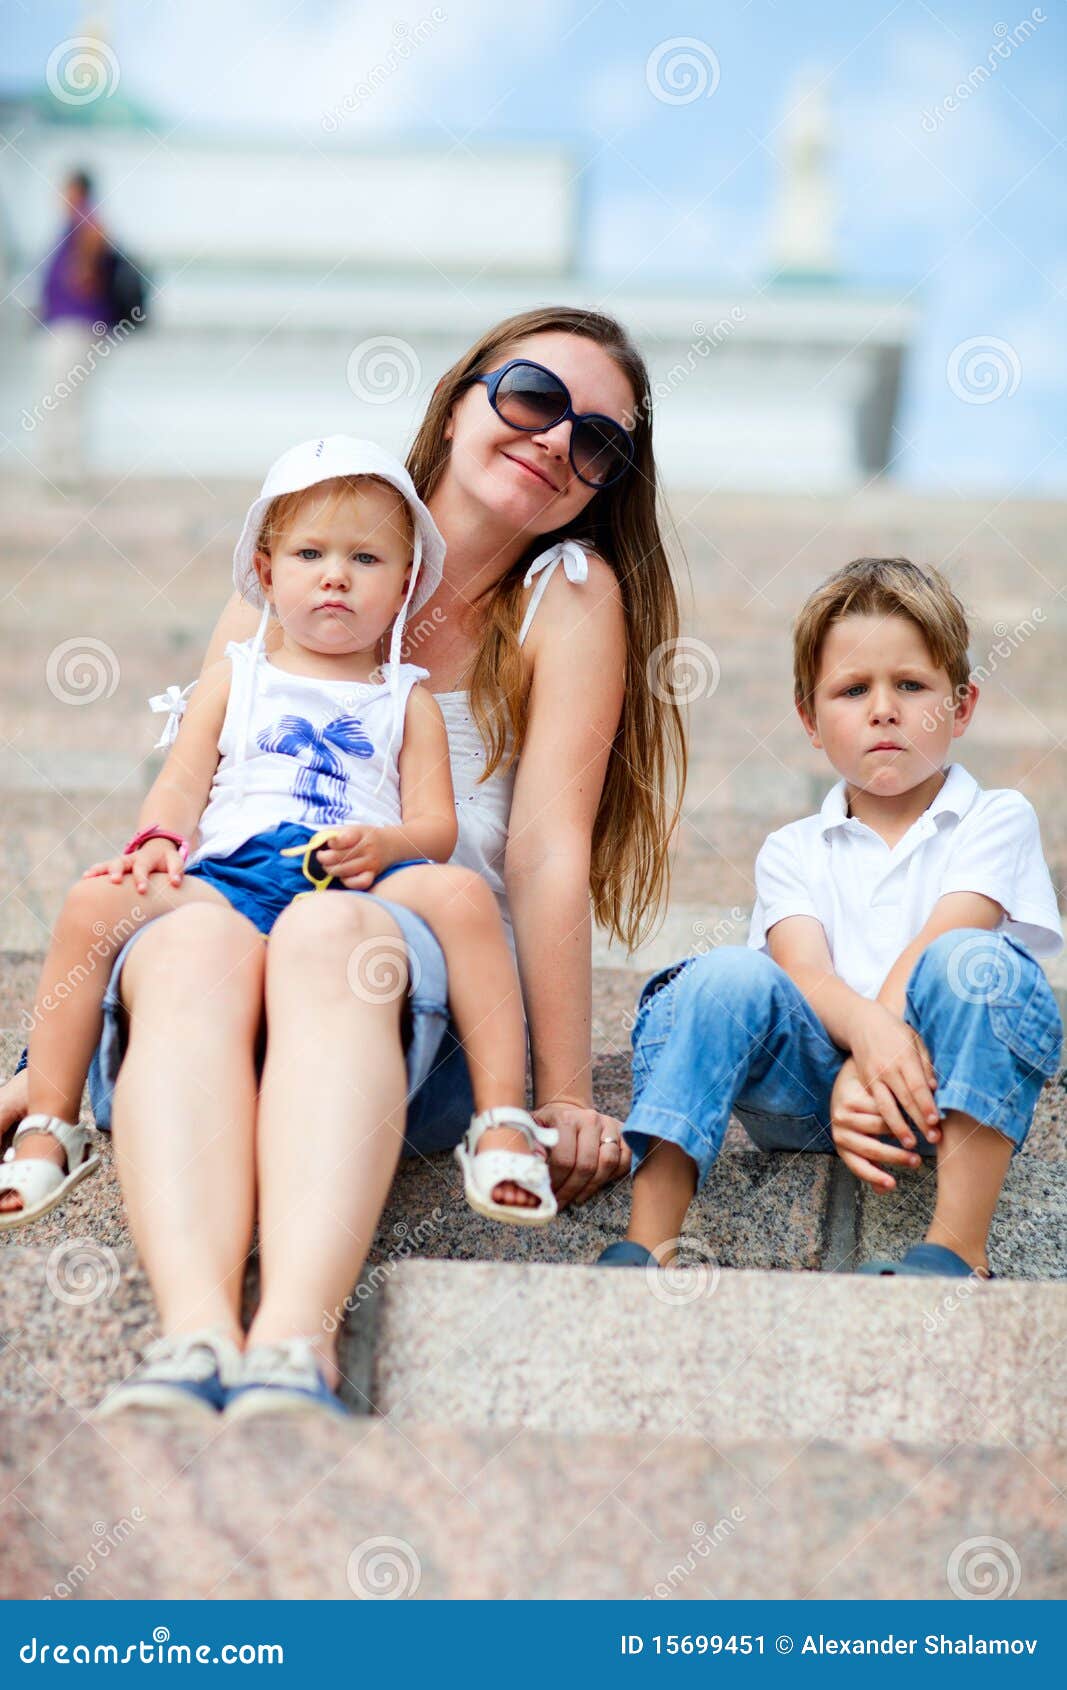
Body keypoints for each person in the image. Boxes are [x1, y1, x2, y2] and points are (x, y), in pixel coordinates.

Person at [0, 307, 687, 1416]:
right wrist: (51, 1065)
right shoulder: (298, 548)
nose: (558, 440)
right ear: (459, 402)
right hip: (228, 959)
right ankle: (190, 1338)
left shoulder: (564, 594)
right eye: (533, 397)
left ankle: (293, 1344)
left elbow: (548, 850)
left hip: (404, 987)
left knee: (330, 927)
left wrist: (560, 1096)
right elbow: (199, 797)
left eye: (599, 440)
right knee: (189, 945)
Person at [1, 435, 555, 1245]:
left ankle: (502, 1120)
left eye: (365, 558)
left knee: (462, 893)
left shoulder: (406, 700)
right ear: (266, 573)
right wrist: (158, 838)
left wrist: (389, 846)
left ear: (405, 584)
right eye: (309, 553)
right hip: (231, 877)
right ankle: (50, 1124)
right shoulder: (237, 677)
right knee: (92, 901)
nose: (335, 575)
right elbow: (183, 781)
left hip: (355, 883)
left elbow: (438, 827)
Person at [599, 557, 1062, 1278]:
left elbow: (944, 936)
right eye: (853, 690)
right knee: (725, 974)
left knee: (973, 964)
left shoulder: (995, 817)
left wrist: (870, 1063)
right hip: (807, 1091)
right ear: (809, 720)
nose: (883, 709)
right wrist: (857, 1058)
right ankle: (647, 1243)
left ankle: (955, 1250)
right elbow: (804, 973)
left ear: (962, 706)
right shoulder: (791, 849)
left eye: (911, 685)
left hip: (947, 1088)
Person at [38, 171, 112, 482]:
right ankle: (62, 466)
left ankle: (65, 469)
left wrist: (83, 268)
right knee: (65, 396)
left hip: (75, 325)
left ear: (76, 191)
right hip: (70, 323)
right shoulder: (76, 222)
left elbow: (98, 238)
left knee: (63, 396)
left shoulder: (84, 217)